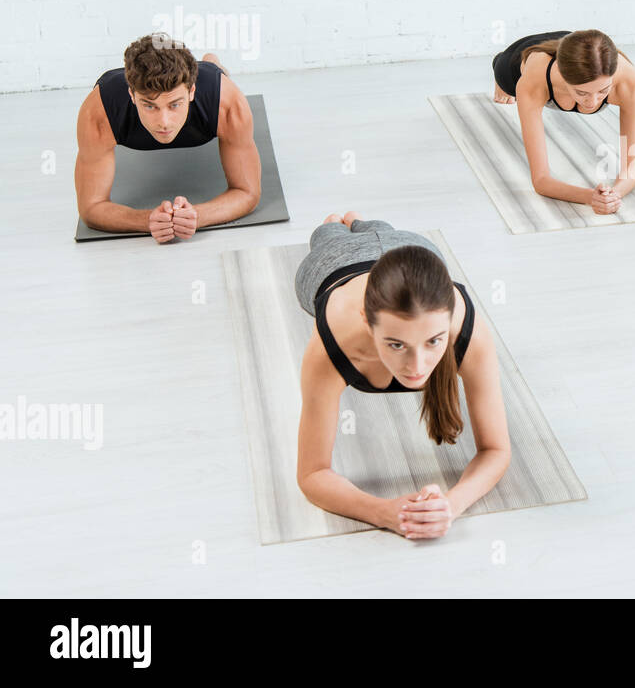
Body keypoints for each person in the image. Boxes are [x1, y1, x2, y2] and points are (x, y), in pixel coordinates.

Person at [293, 213, 509, 541]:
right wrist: (383, 512)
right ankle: (337, 223)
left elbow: (496, 450)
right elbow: (312, 473)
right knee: (329, 233)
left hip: (410, 249)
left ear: (450, 317)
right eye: (396, 344)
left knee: (381, 231)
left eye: (433, 341)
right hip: (334, 263)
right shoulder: (333, 342)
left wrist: (450, 505)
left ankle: (361, 222)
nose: (417, 366)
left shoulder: (469, 331)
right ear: (366, 321)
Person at [74, 33, 261, 242]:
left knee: (214, 71)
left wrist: (196, 216)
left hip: (209, 82)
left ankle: (211, 61)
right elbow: (91, 207)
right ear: (132, 95)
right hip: (117, 85)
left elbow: (247, 193)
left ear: (191, 92)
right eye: (149, 105)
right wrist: (147, 220)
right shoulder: (99, 112)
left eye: (174, 105)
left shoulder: (228, 105)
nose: (164, 122)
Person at [491, 29, 635, 214]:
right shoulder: (536, 78)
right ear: (563, 78)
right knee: (505, 77)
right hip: (516, 61)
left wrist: (613, 195)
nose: (593, 102)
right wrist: (590, 197)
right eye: (582, 92)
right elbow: (541, 181)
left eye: (603, 90)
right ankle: (498, 65)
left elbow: (632, 170)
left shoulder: (629, 81)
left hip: (576, 48)